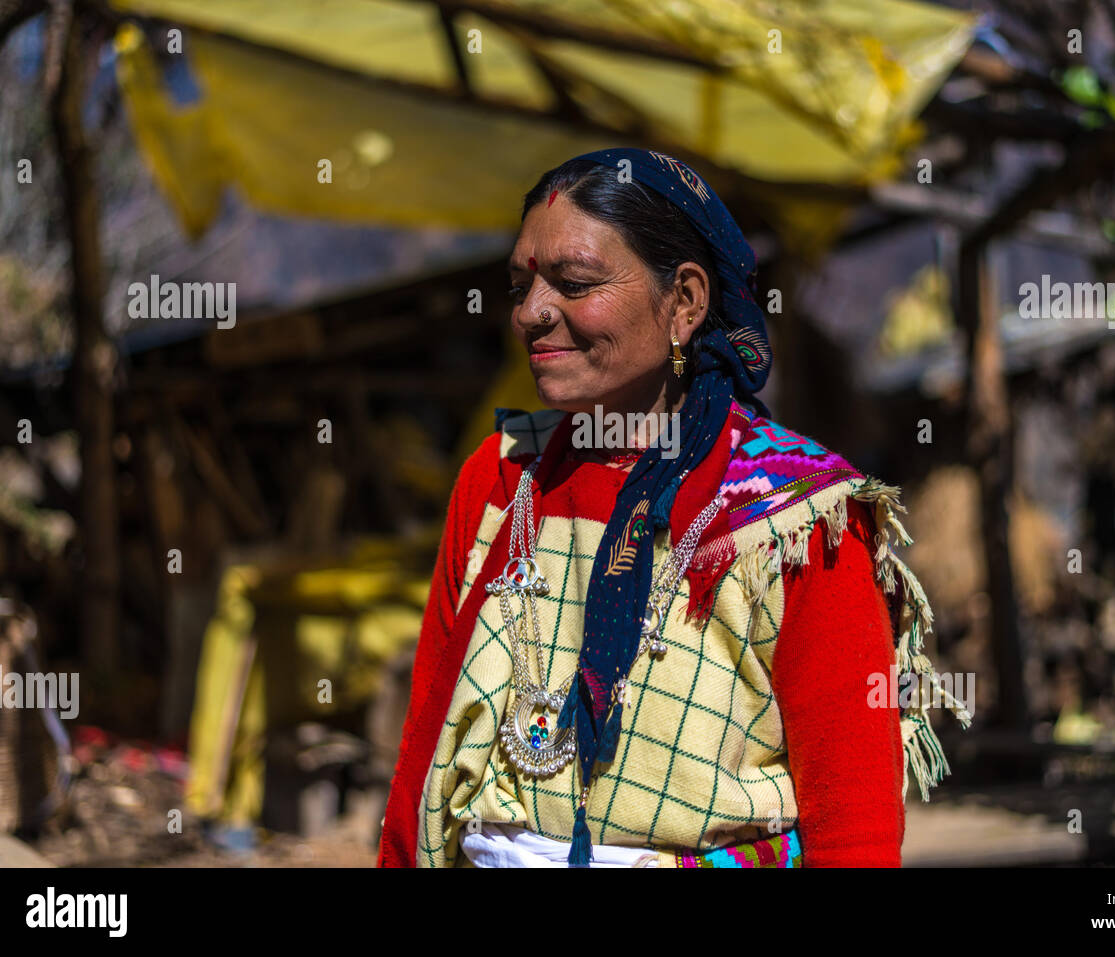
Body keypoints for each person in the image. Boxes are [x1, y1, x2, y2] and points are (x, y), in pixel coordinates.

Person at [378, 147, 968, 868]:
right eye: (520, 284)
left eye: (573, 281)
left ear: (684, 302)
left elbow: (855, 831)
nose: (531, 312)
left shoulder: (795, 520)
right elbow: (423, 754)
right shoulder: (503, 481)